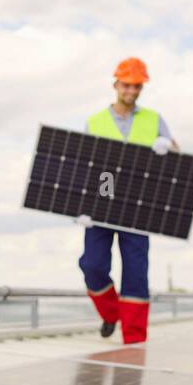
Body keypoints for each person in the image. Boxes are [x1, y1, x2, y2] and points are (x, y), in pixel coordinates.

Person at [76, 57, 178, 344]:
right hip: (101, 203)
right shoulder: (95, 121)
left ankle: (134, 341)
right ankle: (111, 314)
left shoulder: (154, 120)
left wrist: (167, 146)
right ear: (115, 84)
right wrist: (79, 208)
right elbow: (82, 165)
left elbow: (179, 161)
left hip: (137, 205)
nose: (131, 90)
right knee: (92, 265)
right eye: (126, 85)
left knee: (135, 272)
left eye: (137, 86)